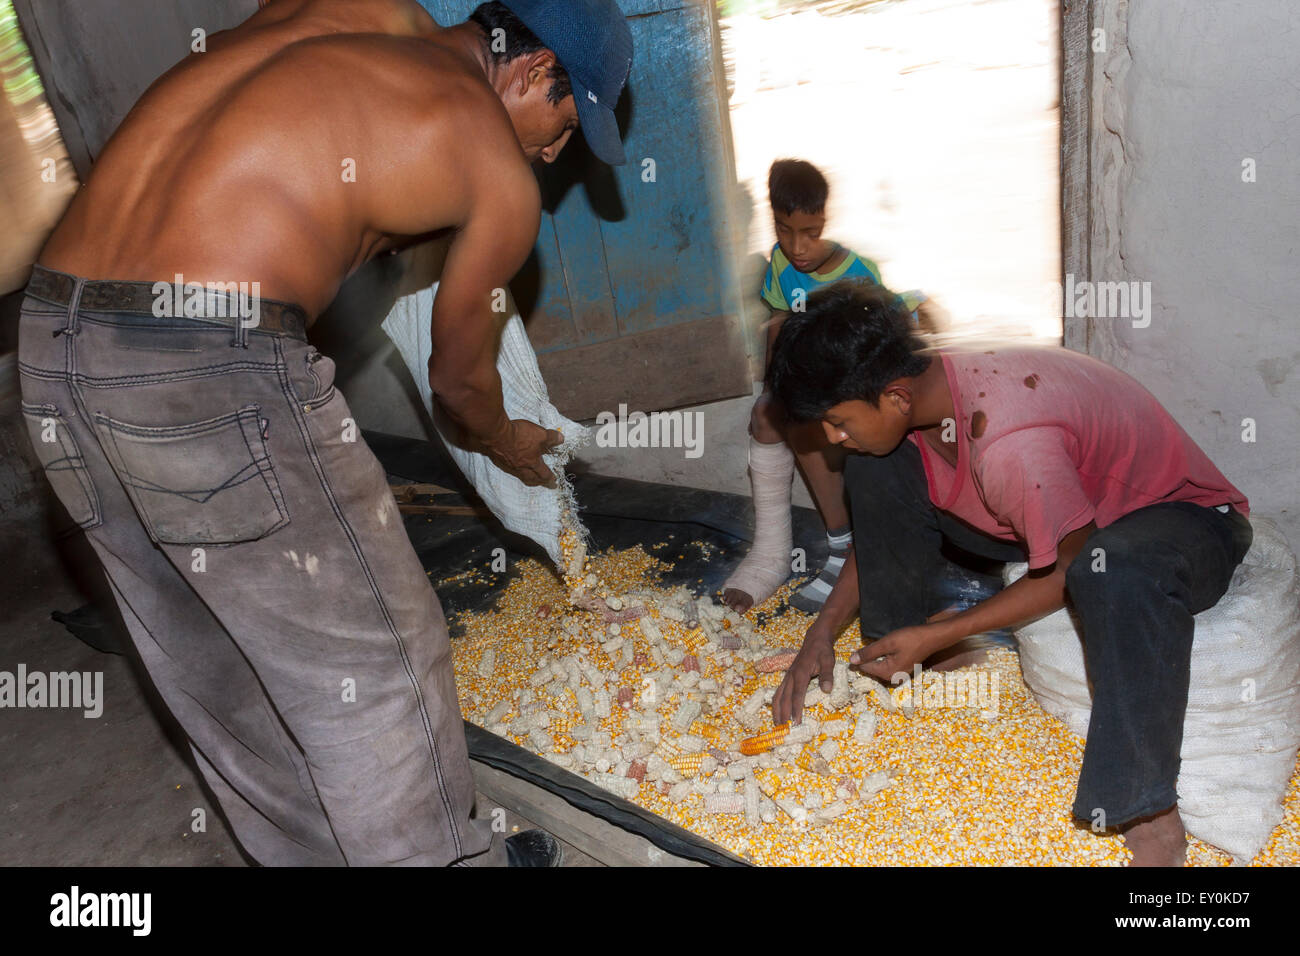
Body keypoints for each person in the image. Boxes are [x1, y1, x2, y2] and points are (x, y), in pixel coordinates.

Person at [17, 0, 632, 866]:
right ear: (532, 72)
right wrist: (509, 443)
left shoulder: (371, 12)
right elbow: (460, 386)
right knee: (380, 664)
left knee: (214, 659)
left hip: (51, 343)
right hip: (208, 361)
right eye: (564, 124)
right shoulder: (496, 166)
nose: (555, 151)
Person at [765, 279, 1252, 866]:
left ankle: (1147, 808)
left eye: (838, 421)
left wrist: (950, 630)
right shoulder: (925, 390)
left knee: (1111, 572)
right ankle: (899, 642)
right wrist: (821, 634)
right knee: (872, 468)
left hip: (1180, 519)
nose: (830, 437)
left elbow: (1070, 567)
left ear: (894, 396)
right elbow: (875, 526)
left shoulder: (1009, 443)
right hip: (1042, 505)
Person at [722, 159, 925, 615]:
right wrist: (773, 385)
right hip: (813, 382)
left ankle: (854, 551)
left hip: (856, 385)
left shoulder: (858, 272)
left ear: (825, 220)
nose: (799, 246)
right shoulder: (780, 263)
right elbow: (779, 323)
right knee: (773, 413)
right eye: (785, 230)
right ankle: (801, 550)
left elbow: (883, 345)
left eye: (811, 232)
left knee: (813, 417)